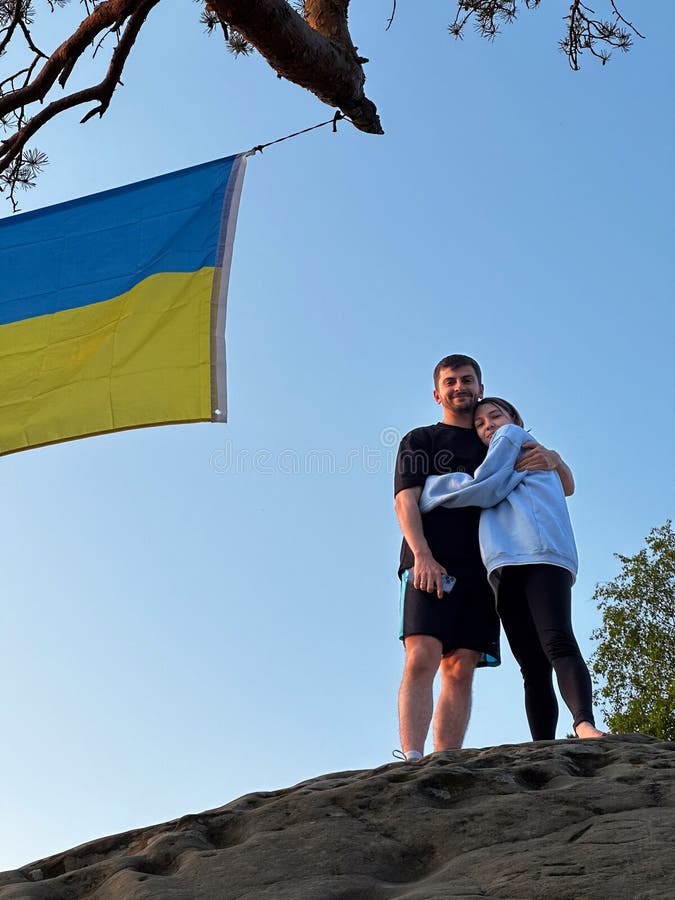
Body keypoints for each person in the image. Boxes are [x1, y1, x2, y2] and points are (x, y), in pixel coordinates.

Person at [394, 357, 574, 760]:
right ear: (437, 393)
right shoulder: (420, 439)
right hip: (429, 560)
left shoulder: (495, 441)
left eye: (468, 380)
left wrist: (555, 458)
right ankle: (411, 757)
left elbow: (564, 486)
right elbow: (405, 501)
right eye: (451, 381)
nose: (460, 387)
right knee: (422, 653)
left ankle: (445, 762)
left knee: (461, 665)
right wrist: (422, 554)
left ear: (479, 386)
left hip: (484, 567)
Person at [420, 397, 606, 741]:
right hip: (506, 563)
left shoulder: (511, 437)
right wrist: (558, 461)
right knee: (533, 665)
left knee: (556, 641)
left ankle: (583, 724)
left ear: (513, 419)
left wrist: (430, 490)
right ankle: (545, 745)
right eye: (479, 423)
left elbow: (484, 486)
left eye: (495, 416)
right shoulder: (504, 453)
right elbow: (566, 485)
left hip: (537, 552)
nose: (488, 425)